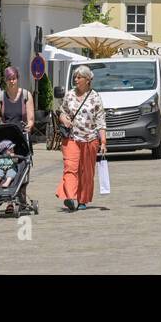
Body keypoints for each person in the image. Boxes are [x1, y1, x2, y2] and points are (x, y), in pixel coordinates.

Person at [56, 66, 106, 212]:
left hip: (90, 139)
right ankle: (71, 197)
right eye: (75, 77)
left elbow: (101, 121)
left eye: (79, 77)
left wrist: (103, 142)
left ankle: (83, 199)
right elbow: (62, 111)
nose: (76, 80)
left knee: (86, 171)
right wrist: (64, 119)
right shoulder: (69, 95)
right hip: (71, 138)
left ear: (87, 80)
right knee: (70, 168)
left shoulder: (95, 97)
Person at [0, 66, 34, 132]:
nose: (11, 81)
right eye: (9, 79)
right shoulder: (0, 97)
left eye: (14, 78)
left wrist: (29, 126)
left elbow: (31, 119)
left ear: (17, 79)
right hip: (5, 135)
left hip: (22, 134)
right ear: (5, 80)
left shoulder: (26, 95)